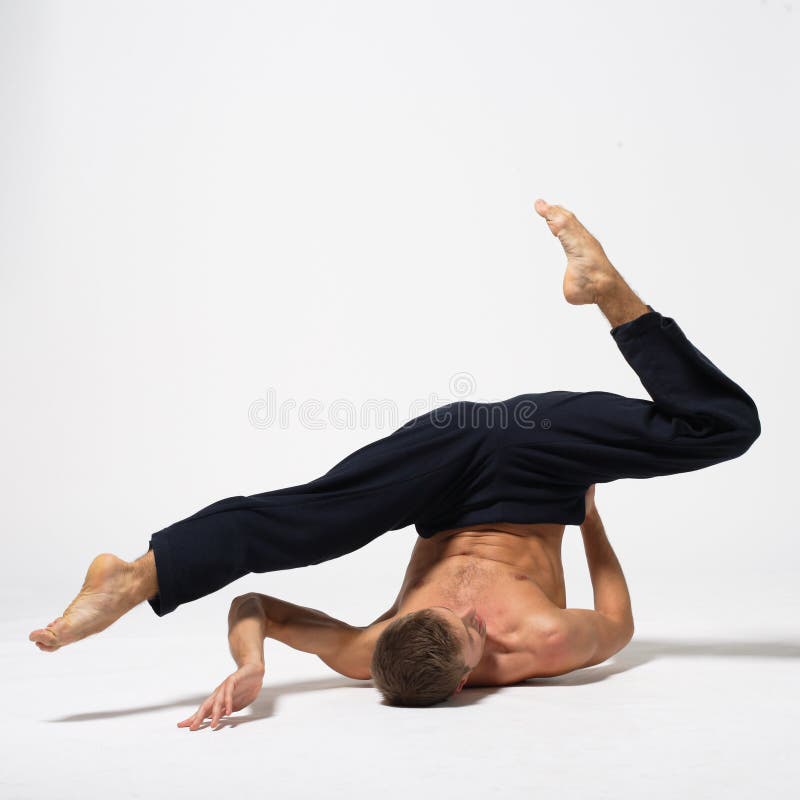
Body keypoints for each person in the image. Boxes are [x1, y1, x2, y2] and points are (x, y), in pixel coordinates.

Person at [29, 199, 760, 723]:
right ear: (471, 679)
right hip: (541, 463)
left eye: (446, 613)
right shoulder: (543, 645)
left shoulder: (367, 653)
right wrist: (590, 513)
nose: (469, 608)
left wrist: (251, 663)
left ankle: (136, 575)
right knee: (722, 428)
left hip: (446, 462)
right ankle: (610, 295)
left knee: (316, 519)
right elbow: (617, 623)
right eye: (470, 625)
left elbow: (256, 607)